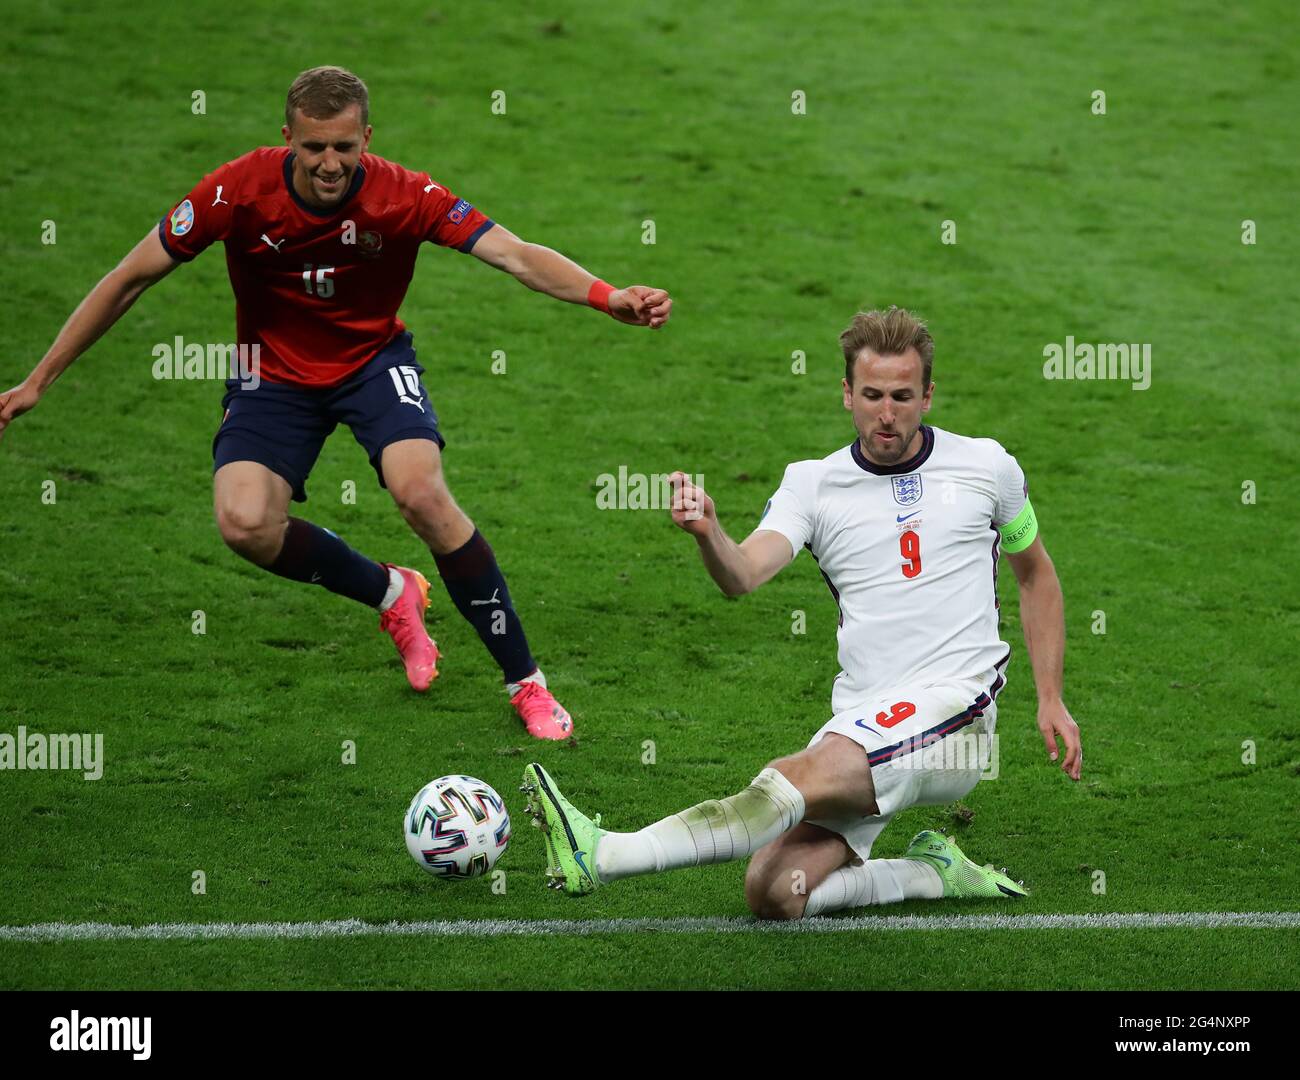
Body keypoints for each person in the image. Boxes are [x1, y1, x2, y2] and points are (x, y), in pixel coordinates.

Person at [0, 66, 672, 740]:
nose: (329, 164)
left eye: (344, 149)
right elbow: (128, 279)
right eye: (314, 147)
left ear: (366, 139)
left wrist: (606, 295)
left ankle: (525, 682)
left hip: (371, 365)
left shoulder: (406, 195)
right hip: (272, 376)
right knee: (244, 524)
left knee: (423, 495)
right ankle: (391, 593)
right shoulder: (235, 191)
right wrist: (39, 381)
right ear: (287, 136)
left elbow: (517, 256)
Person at [523, 305, 1081, 916]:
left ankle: (603, 854)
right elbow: (743, 575)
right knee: (775, 891)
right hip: (865, 716)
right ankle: (930, 873)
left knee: (796, 774)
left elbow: (1037, 575)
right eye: (872, 394)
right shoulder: (812, 485)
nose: (886, 413)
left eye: (902, 395)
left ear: (929, 395)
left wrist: (1049, 697)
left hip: (958, 715)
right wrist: (711, 533)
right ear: (847, 394)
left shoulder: (988, 467)